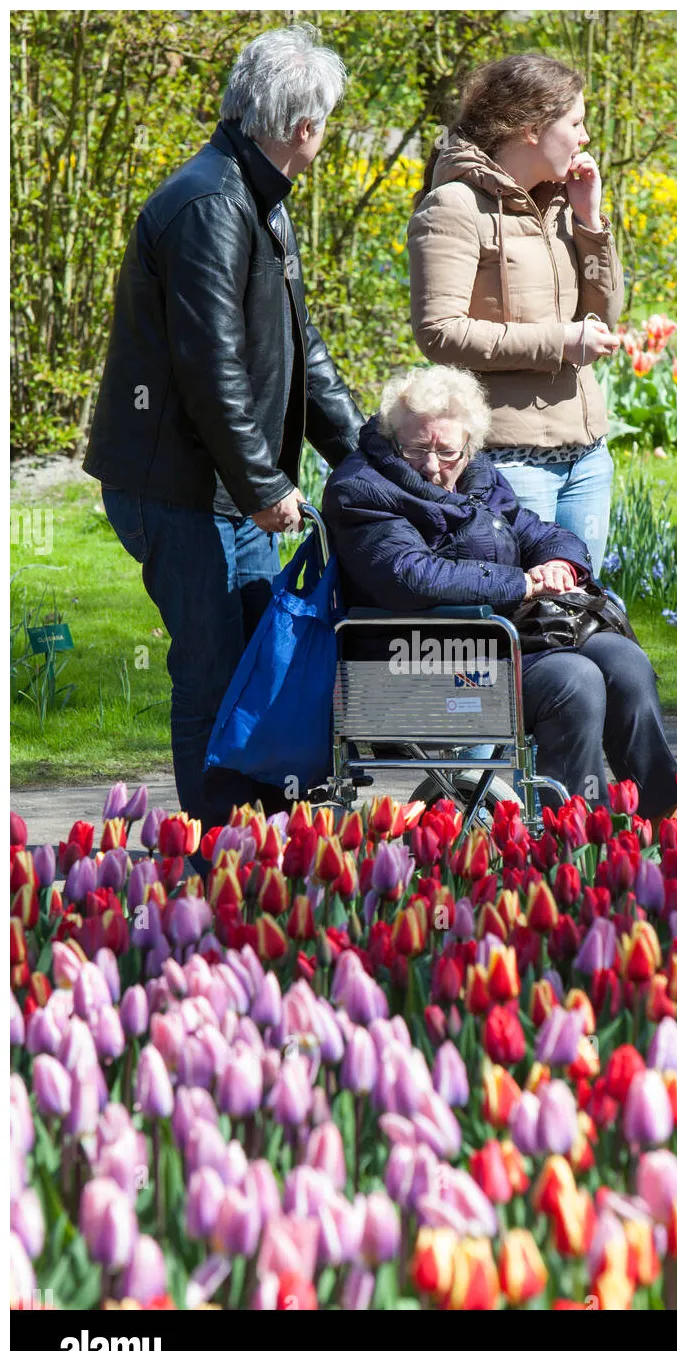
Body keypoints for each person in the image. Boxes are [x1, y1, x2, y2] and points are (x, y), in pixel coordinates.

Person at [83, 25, 364, 840]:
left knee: (254, 664)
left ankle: (255, 841)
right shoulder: (211, 205)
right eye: (325, 123)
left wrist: (374, 462)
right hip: (176, 489)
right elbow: (212, 370)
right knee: (212, 670)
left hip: (223, 489)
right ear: (302, 127)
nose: (325, 137)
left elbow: (304, 356)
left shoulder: (260, 199)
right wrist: (265, 484)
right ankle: (210, 856)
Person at [322, 366, 677, 820]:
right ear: (394, 439)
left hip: (498, 645)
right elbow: (413, 576)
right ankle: (576, 838)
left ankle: (665, 820)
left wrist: (560, 562)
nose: (433, 466)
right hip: (417, 661)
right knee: (574, 681)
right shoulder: (361, 488)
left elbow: (534, 531)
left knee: (625, 664)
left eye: (447, 451)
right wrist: (523, 582)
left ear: (469, 445)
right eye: (417, 449)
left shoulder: (478, 475)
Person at [408, 54, 623, 580]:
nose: (585, 136)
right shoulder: (454, 205)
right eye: (574, 123)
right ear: (532, 128)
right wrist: (560, 342)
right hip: (511, 464)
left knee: (580, 611)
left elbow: (604, 313)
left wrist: (591, 221)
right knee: (527, 627)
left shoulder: (560, 204)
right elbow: (440, 332)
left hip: (586, 459)